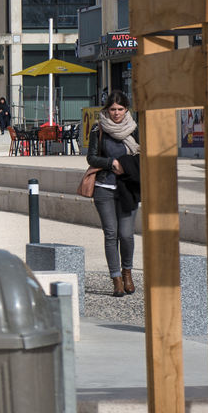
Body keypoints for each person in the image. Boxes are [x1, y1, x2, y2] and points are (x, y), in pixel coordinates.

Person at [86, 92, 141, 297]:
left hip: (128, 188)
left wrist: (126, 166)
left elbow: (143, 154)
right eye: (112, 109)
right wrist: (111, 163)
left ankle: (127, 272)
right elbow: (91, 157)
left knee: (126, 235)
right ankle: (116, 279)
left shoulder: (135, 129)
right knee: (111, 234)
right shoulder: (98, 128)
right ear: (106, 110)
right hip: (104, 187)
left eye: (120, 109)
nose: (116, 113)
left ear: (126, 109)